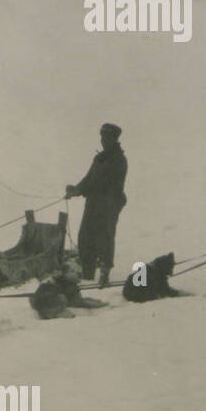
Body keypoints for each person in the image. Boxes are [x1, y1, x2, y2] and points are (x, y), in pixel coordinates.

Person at [65, 123, 128, 289]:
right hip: (93, 202)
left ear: (114, 139)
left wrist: (78, 190)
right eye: (102, 136)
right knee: (85, 237)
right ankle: (87, 274)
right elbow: (89, 178)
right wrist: (75, 189)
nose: (103, 140)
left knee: (104, 238)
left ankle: (104, 274)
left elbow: (100, 182)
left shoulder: (118, 159)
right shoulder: (99, 158)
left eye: (107, 137)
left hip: (109, 203)